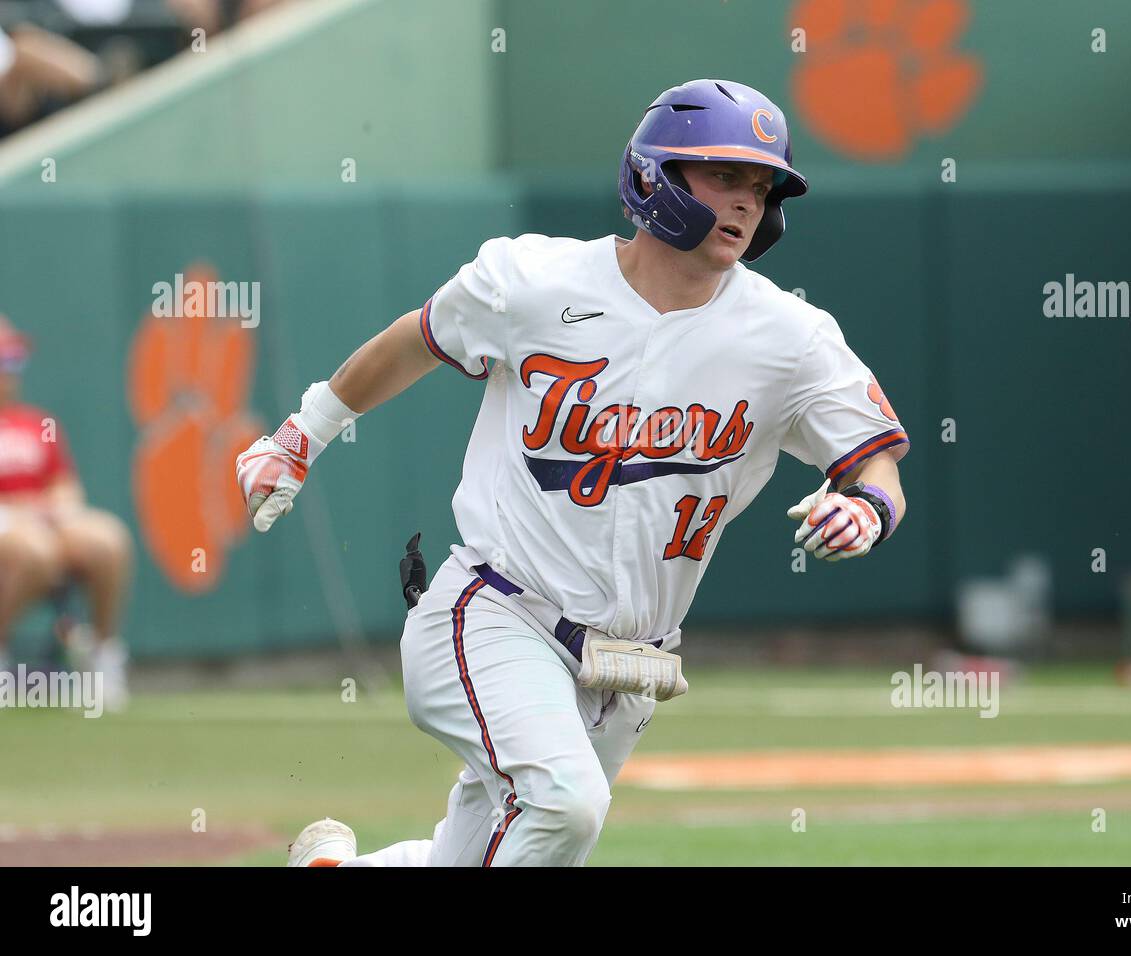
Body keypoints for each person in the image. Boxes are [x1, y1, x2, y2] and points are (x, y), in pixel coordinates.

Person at [238, 79, 909, 867]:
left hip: (630, 664)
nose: (745, 204)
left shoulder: (790, 337)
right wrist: (302, 432)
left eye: (761, 188)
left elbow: (876, 465)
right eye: (724, 176)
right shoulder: (532, 280)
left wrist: (867, 507)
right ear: (653, 175)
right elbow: (414, 340)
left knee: (484, 851)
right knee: (565, 806)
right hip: (495, 611)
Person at [0, 315, 133, 709]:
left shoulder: (39, 422)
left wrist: (56, 508)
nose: (11, 372)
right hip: (13, 527)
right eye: (4, 361)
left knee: (107, 540)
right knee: (35, 551)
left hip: (44, 523)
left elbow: (65, 489)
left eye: (15, 361)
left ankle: (103, 659)